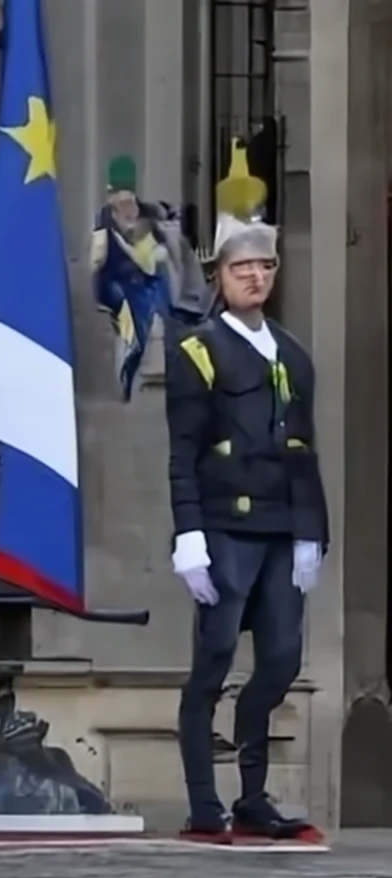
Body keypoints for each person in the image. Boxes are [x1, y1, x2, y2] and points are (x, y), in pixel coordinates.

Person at [165, 212, 328, 843]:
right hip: (225, 526)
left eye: (265, 265)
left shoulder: (293, 354)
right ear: (218, 276)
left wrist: (313, 530)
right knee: (213, 660)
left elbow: (305, 450)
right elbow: (183, 452)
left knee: (283, 658)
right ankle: (205, 803)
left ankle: (254, 795)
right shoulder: (198, 352)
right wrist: (188, 536)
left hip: (283, 528)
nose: (255, 276)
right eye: (241, 267)